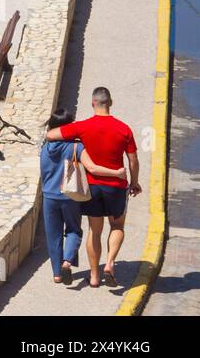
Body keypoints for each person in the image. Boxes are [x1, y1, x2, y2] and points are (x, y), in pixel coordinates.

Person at [45, 88, 140, 288]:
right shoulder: (123, 129)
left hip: (93, 187)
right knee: (117, 226)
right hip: (116, 187)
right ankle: (111, 262)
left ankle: (95, 277)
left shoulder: (83, 126)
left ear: (92, 103)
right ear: (110, 103)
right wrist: (134, 182)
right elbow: (133, 160)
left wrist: (75, 139)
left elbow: (51, 134)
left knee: (94, 231)